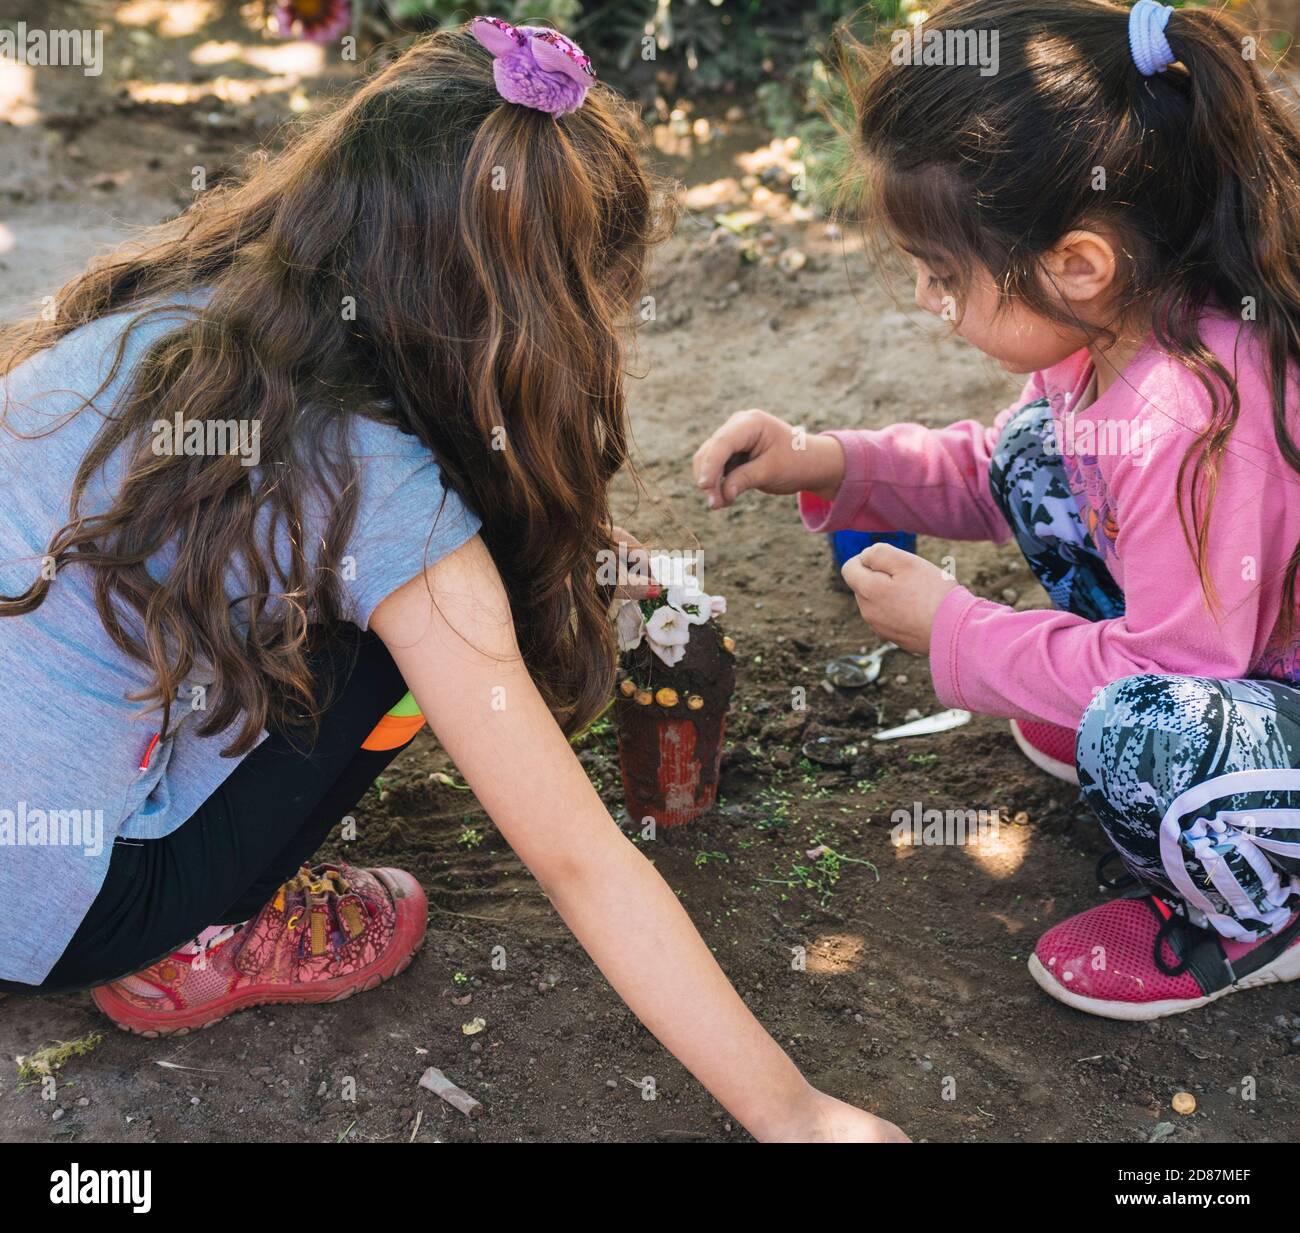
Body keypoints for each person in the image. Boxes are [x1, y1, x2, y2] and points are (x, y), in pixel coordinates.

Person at [0, 18, 905, 1142]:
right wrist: (798, 1114)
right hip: (60, 907)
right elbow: (579, 859)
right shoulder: (390, 506)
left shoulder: (175, 314)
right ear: (535, 325)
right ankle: (199, 939)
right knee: (398, 649)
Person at [695, 0, 1300, 1020]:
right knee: (1031, 455)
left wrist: (961, 635)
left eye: (942, 275)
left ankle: (1256, 914)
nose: (930, 302)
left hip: (1219, 683)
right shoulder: (1116, 332)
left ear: (1076, 263)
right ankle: (1129, 739)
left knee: (1149, 730)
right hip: (1238, 666)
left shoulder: (1192, 418)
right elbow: (991, 470)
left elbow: (1175, 677)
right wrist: (827, 460)